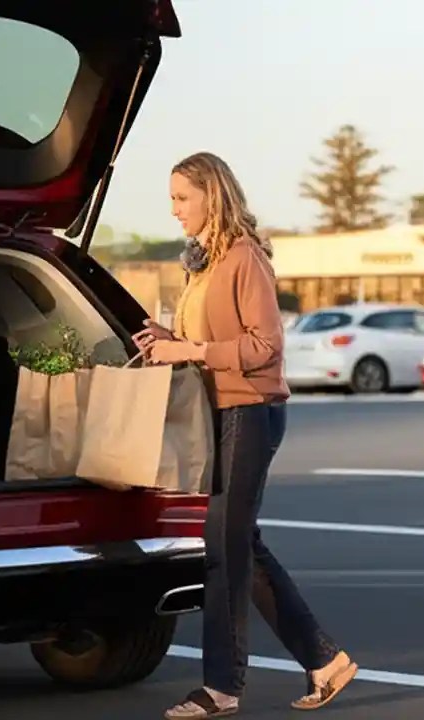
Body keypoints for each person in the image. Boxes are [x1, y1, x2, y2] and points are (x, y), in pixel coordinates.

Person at [137, 152, 357, 718]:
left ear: (213, 194)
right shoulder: (202, 263)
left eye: (182, 197)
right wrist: (166, 336)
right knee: (240, 547)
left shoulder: (244, 258)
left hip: (251, 412)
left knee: (224, 551)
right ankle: (325, 660)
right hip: (221, 414)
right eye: (171, 199)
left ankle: (221, 688)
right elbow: (206, 338)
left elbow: (265, 346)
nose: (174, 209)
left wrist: (190, 349)